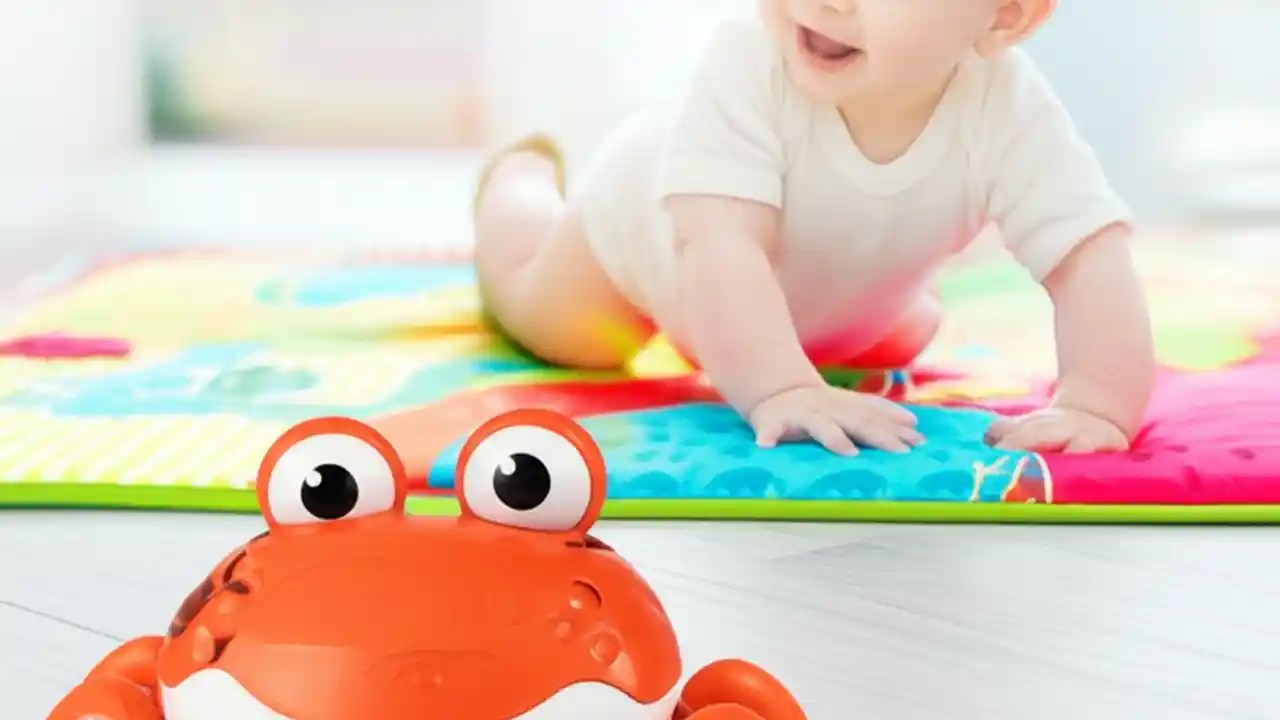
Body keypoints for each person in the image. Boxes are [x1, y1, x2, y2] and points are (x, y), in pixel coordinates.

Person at [471, 0, 1154, 456]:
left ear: (1006, 13)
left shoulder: (1007, 106)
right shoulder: (748, 64)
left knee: (903, 336)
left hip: (832, 302)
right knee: (557, 326)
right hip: (646, 241)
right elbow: (718, 246)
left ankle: (847, 321)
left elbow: (1086, 249)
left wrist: (1098, 403)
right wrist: (781, 388)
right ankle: (519, 187)